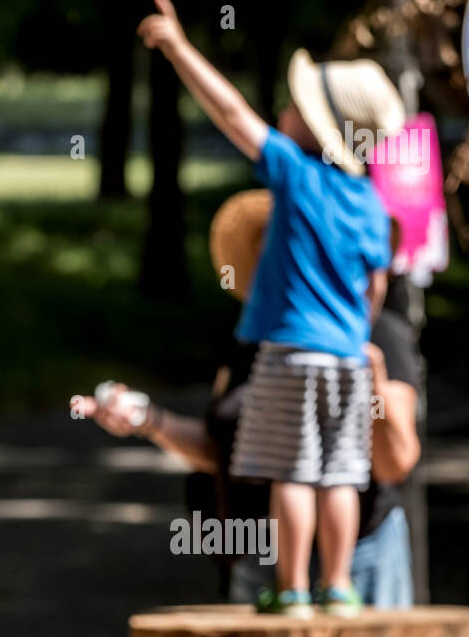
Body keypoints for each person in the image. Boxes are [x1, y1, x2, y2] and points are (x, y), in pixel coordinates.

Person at [133, 0, 402, 617]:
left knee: (291, 472)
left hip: (288, 356)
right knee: (341, 472)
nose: (285, 111)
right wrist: (357, 328)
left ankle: (292, 588)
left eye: (299, 107)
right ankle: (338, 585)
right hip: (346, 359)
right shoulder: (368, 203)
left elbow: (231, 113)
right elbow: (378, 283)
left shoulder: (298, 175)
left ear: (318, 127)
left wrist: (178, 46)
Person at [75, 190, 421, 609]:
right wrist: (149, 419)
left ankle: (328, 582)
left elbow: (395, 462)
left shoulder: (375, 336)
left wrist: (375, 384)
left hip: (363, 556)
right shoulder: (252, 340)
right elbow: (224, 448)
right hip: (256, 557)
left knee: (304, 477)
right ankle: (298, 587)